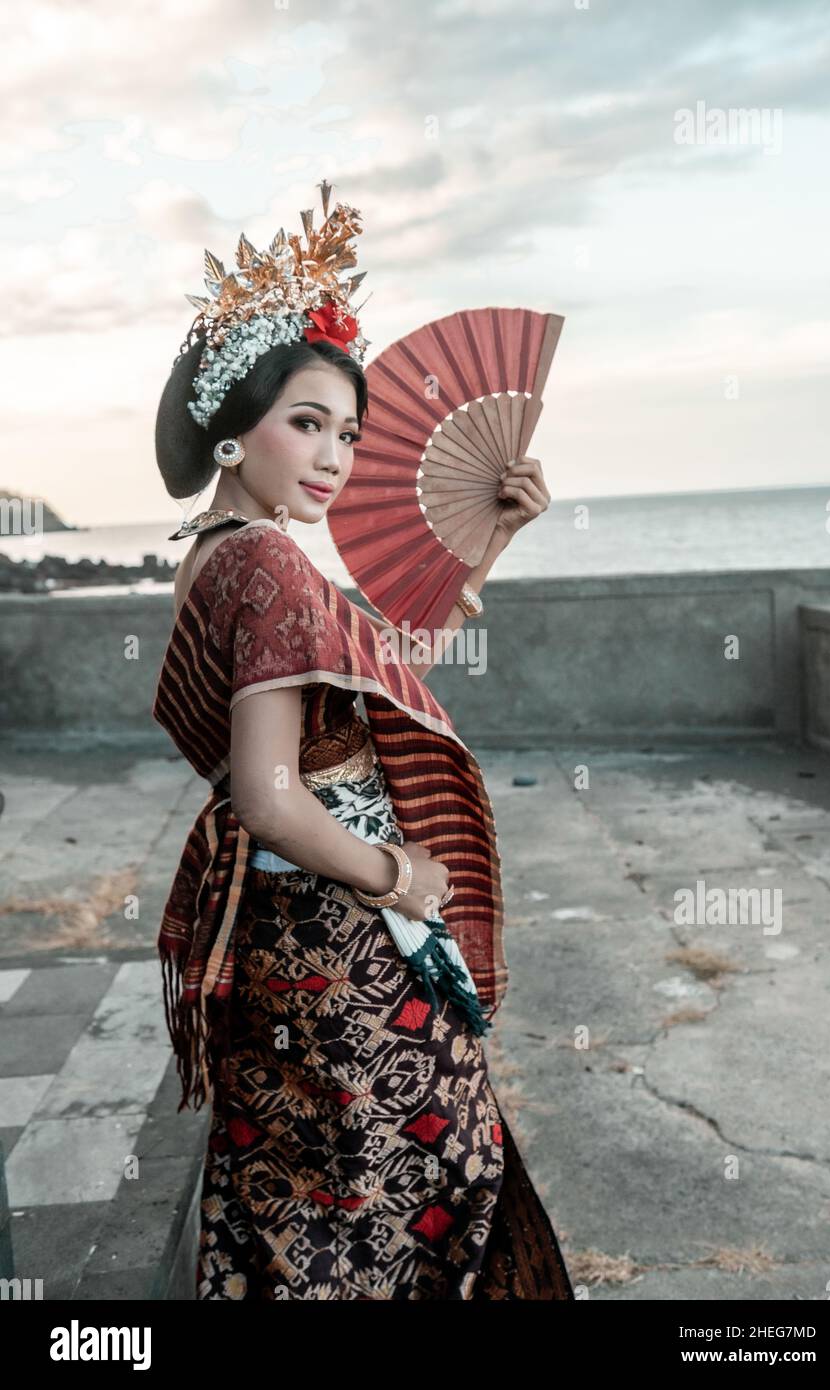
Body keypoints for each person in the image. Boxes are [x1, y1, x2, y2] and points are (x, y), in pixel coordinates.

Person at [152, 180, 572, 1299]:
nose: (333, 455)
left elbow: (371, 679)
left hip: (275, 938)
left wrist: (486, 541)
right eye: (306, 423)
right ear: (232, 433)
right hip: (336, 941)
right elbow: (269, 792)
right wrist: (403, 872)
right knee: (428, 1178)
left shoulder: (215, 552)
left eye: (347, 429)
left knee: (305, 1203)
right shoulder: (270, 562)